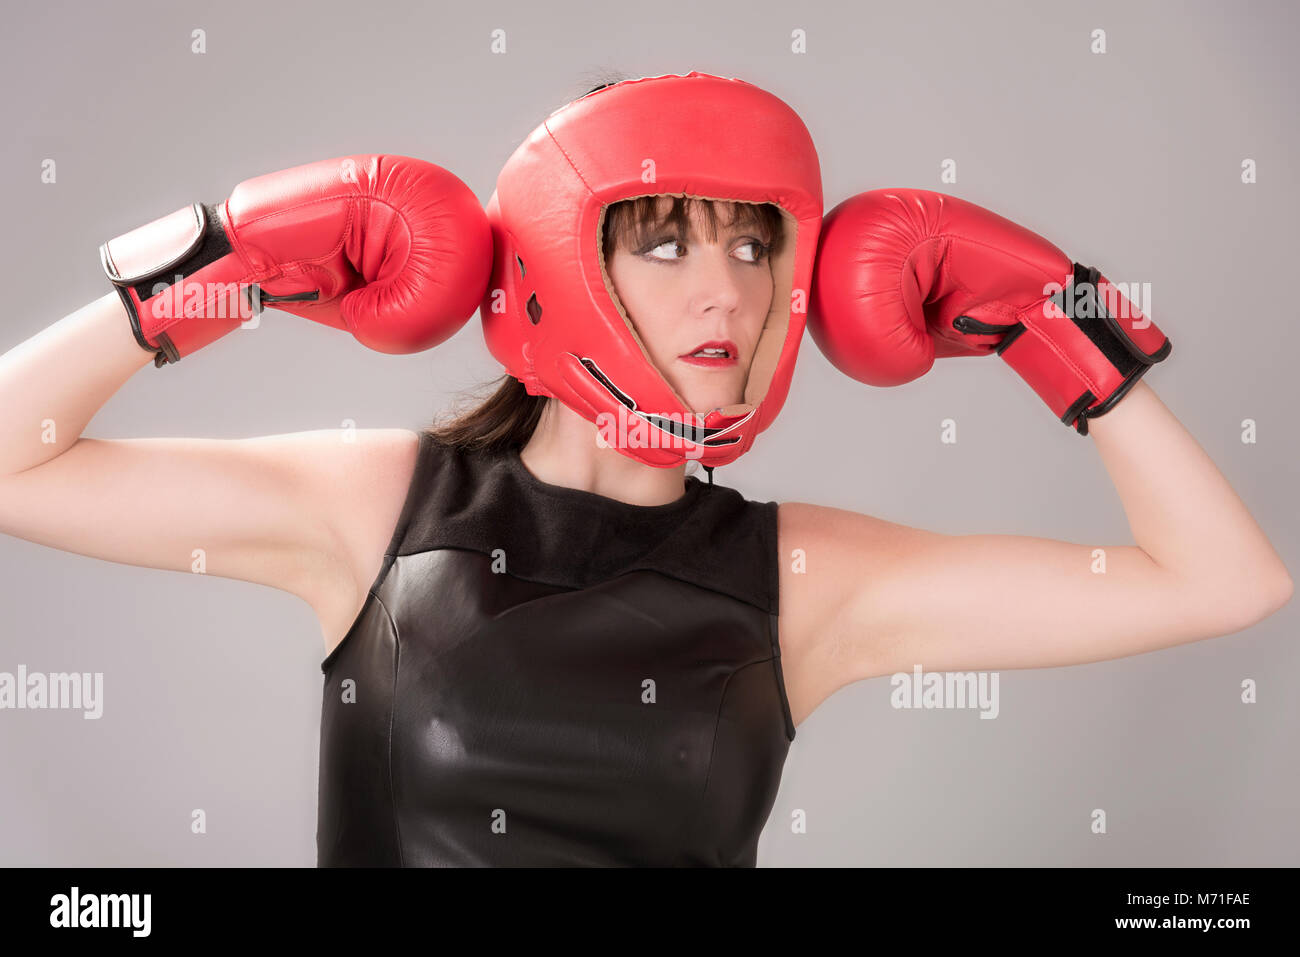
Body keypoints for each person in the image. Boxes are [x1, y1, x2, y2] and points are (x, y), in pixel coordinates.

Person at [0, 72, 1290, 867]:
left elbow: (1223, 579)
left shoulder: (800, 576)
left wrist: (1061, 321)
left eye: (754, 245)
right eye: (664, 243)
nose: (727, 290)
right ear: (563, 263)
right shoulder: (384, 511)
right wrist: (225, 260)